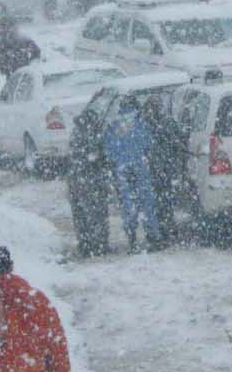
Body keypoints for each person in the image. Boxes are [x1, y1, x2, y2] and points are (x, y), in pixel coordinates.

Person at [103, 97, 162, 252]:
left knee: (128, 204)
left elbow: (108, 149)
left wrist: (118, 160)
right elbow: (149, 143)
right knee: (147, 203)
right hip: (140, 167)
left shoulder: (114, 126)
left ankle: (132, 238)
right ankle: (152, 237)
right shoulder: (140, 123)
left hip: (122, 169)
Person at [66, 106, 112, 257]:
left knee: (81, 215)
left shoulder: (76, 134)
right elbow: (97, 158)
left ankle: (86, 244)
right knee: (96, 214)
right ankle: (99, 245)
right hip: (90, 182)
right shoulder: (91, 135)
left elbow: (75, 158)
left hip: (76, 181)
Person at [141, 95, 185, 244]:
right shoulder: (165, 122)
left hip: (158, 170)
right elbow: (178, 141)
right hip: (161, 169)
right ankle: (165, 231)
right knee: (163, 203)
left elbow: (177, 141)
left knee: (159, 203)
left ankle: (161, 232)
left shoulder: (146, 124)